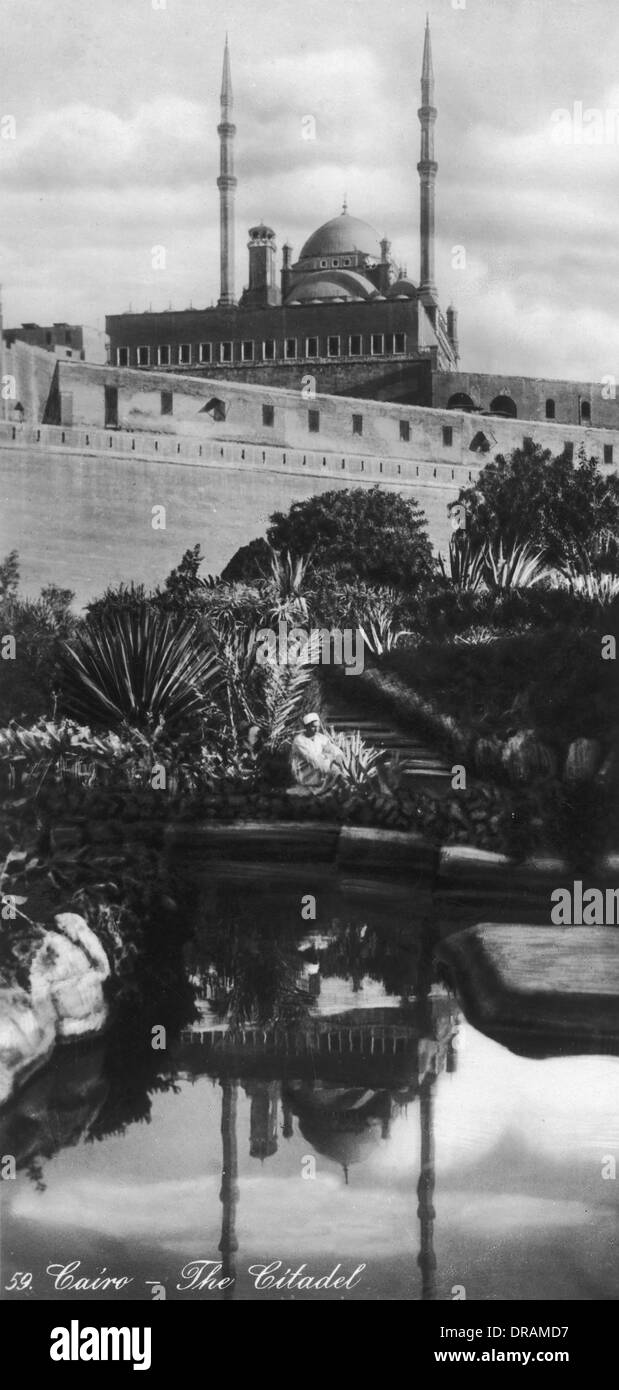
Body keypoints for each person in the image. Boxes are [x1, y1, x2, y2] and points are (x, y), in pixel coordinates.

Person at [290, 713, 345, 791]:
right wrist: (329, 757)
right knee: (331, 769)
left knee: (337, 770)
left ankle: (336, 787)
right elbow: (311, 758)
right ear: (306, 727)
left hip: (321, 764)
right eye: (313, 727)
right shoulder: (299, 740)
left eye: (318, 726)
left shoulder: (320, 737)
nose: (316, 729)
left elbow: (331, 748)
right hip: (305, 770)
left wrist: (337, 755)